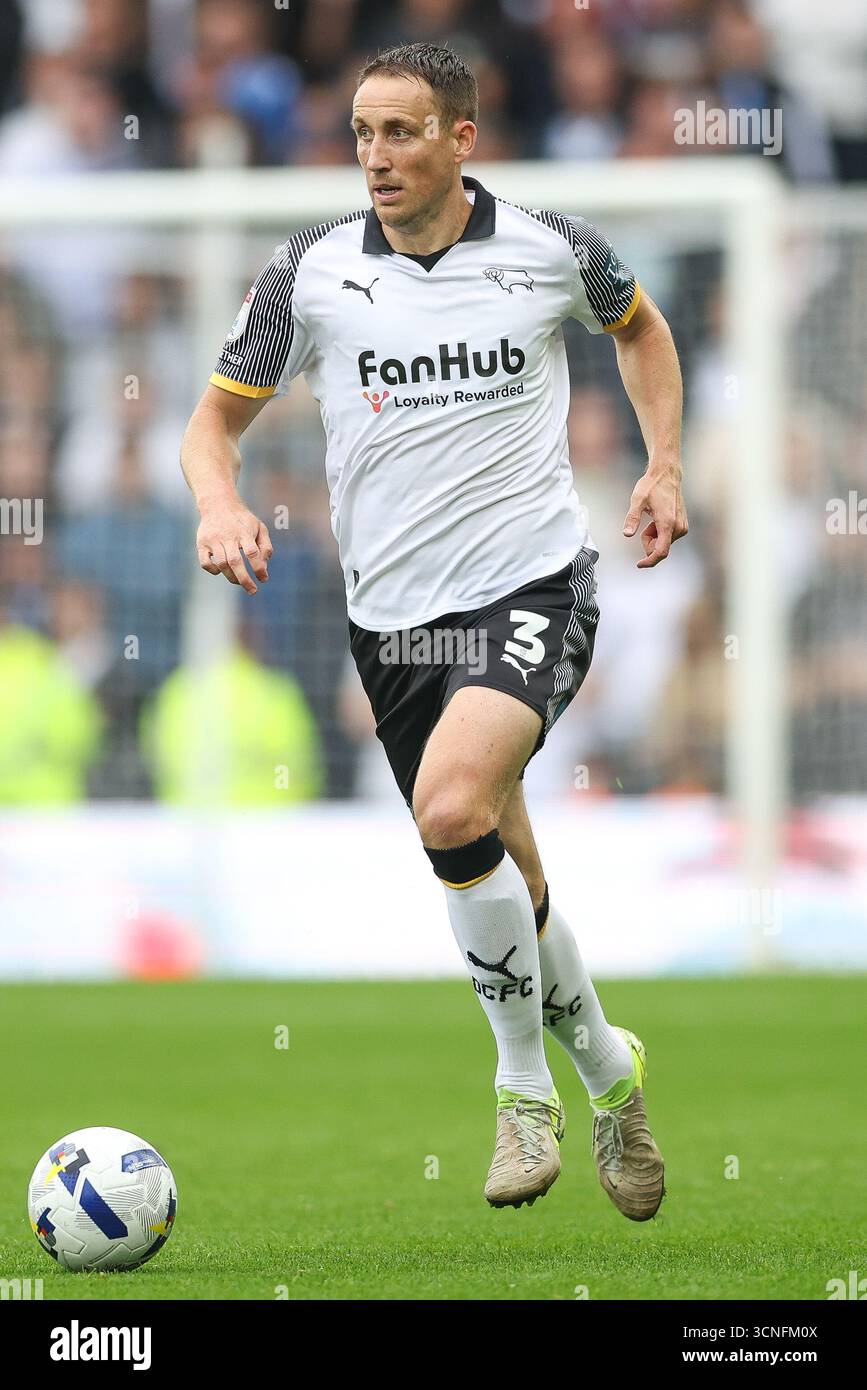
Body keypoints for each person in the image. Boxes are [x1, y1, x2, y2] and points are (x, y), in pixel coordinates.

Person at [180, 42, 688, 1218]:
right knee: (507, 863)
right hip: (393, 624)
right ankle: (612, 1068)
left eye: (402, 132)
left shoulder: (550, 249)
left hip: (532, 588)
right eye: (363, 132)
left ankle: (523, 1094)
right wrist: (219, 501)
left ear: (463, 138)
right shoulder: (309, 272)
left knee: (451, 807)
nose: (377, 156)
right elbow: (212, 425)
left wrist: (665, 465)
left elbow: (644, 330)